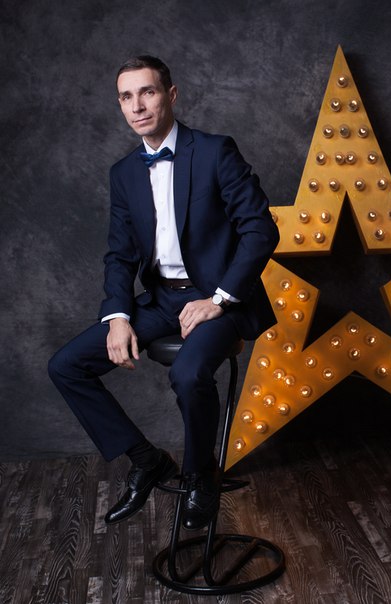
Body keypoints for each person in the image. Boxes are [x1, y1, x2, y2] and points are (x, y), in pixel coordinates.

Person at [48, 55, 279, 531]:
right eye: (126, 97)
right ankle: (147, 460)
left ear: (171, 95)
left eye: (147, 92)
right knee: (66, 365)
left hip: (218, 300)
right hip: (161, 300)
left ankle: (200, 476)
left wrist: (218, 300)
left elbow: (260, 231)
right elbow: (119, 255)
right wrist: (117, 316)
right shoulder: (123, 173)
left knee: (189, 373)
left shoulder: (214, 151)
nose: (137, 106)